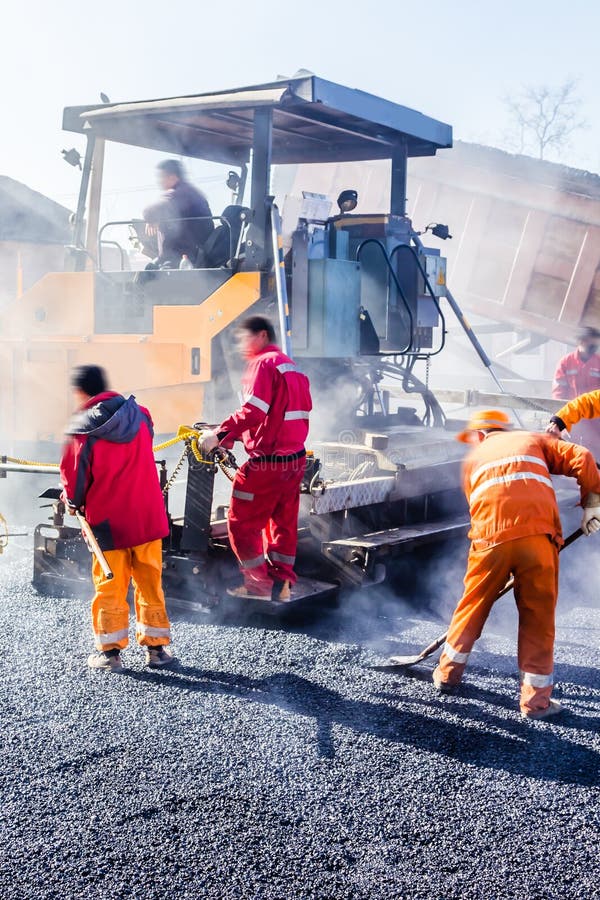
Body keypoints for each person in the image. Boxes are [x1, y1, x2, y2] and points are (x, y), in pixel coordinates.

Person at [432, 409, 600, 719]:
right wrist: (592, 504)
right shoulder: (531, 438)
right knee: (538, 617)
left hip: (489, 540)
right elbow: (583, 457)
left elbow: (479, 507)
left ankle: (447, 674)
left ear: (481, 435)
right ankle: (535, 703)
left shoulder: (472, 461)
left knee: (473, 604)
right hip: (538, 538)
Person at [60, 365, 175, 672]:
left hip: (109, 523)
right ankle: (157, 651)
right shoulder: (141, 416)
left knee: (110, 587)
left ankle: (110, 655)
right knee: (150, 583)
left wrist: (72, 502)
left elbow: (74, 480)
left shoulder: (81, 430)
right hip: (147, 517)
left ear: (81, 392)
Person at [200, 316, 312, 602]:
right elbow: (276, 418)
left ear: (262, 335)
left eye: (244, 338)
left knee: (240, 522)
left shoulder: (262, 364)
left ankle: (258, 585)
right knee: (282, 525)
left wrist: (218, 435)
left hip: (267, 464)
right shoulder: (291, 366)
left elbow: (254, 412)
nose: (240, 345)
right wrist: (232, 437)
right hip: (294, 460)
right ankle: (283, 584)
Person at [143, 159, 214, 268]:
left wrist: (151, 218)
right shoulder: (192, 193)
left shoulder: (179, 193)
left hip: (182, 259)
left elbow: (150, 211)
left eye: (161, 177)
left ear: (172, 177)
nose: (159, 182)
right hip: (198, 257)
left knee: (144, 278)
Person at [552, 327, 600, 458]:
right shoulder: (566, 362)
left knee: (595, 454)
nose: (594, 348)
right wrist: (561, 418)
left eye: (596, 345)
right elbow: (558, 392)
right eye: (592, 345)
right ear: (582, 341)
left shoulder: (599, 362)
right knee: (571, 453)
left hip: (595, 420)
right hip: (572, 418)